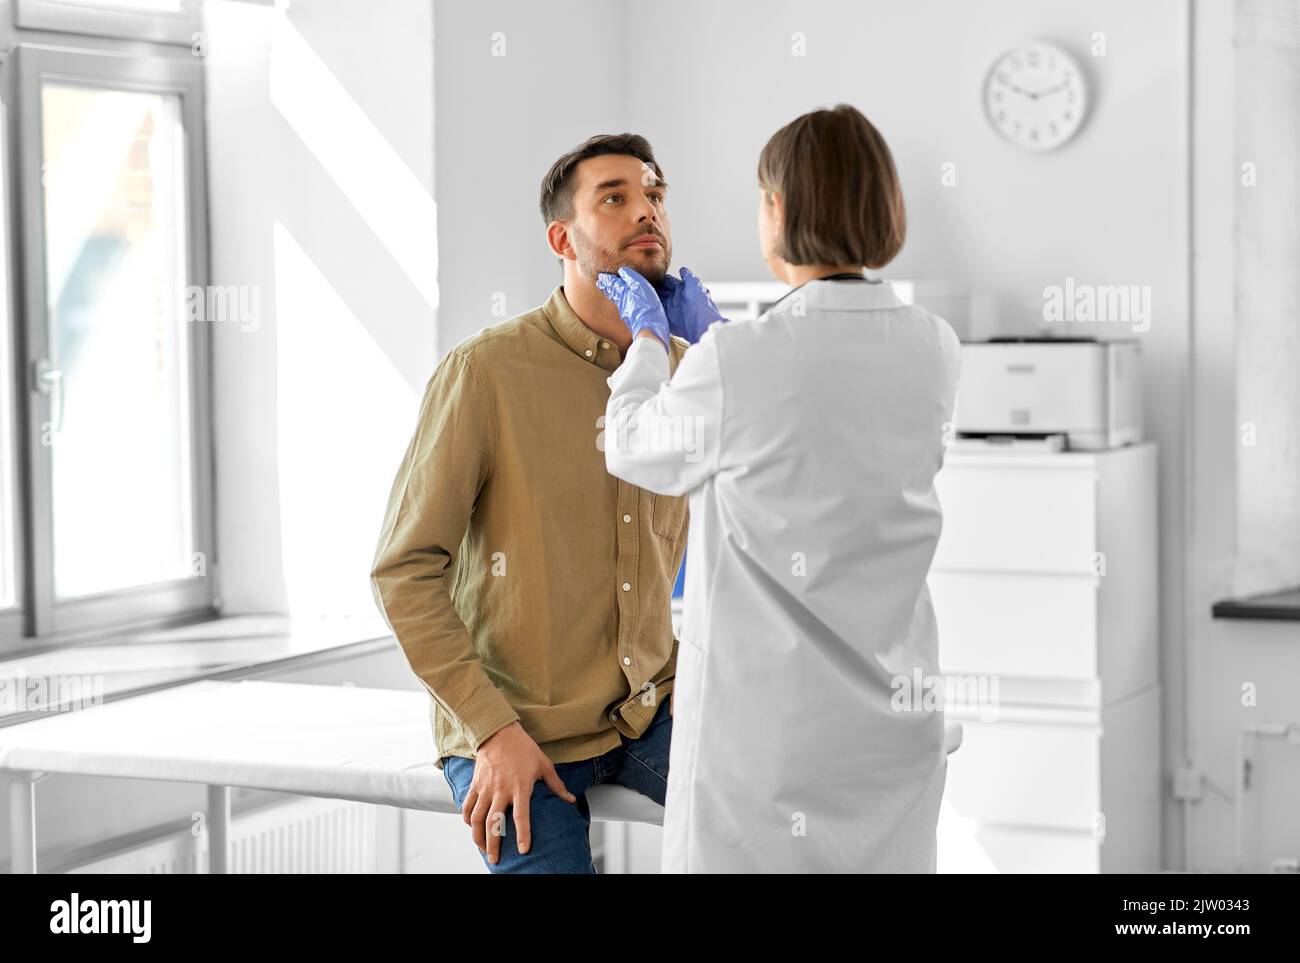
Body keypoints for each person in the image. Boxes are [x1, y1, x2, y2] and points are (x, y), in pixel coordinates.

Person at [598, 104, 962, 872]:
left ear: (777, 209)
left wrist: (648, 345)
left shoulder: (737, 361)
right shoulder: (935, 346)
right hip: (891, 730)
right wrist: (720, 340)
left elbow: (635, 447)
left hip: (766, 748)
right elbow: (808, 413)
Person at [370, 133, 693, 873]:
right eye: (614, 197)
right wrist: (489, 731)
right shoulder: (485, 373)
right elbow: (403, 571)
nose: (646, 212)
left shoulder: (684, 370)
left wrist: (688, 679)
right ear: (561, 237)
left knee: (786, 838)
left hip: (651, 713)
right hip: (519, 727)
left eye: (655, 194)